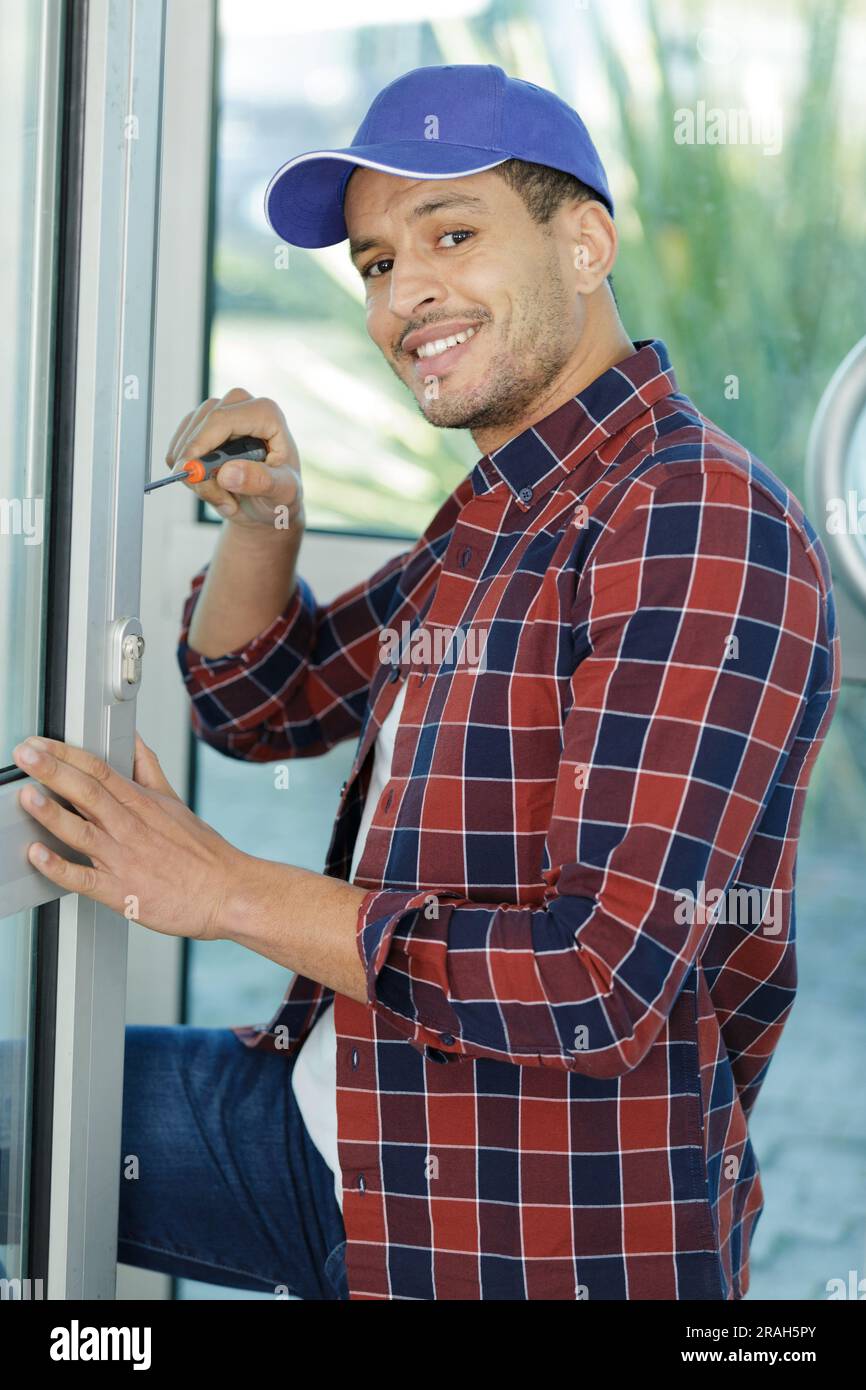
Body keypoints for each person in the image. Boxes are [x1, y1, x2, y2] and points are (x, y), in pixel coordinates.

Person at [12, 64, 841, 1301]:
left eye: (451, 234)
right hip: (320, 1117)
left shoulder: (692, 519)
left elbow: (595, 981)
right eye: (376, 263)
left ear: (583, 242)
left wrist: (223, 889)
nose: (406, 293)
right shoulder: (497, 515)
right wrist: (266, 517)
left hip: (527, 1229)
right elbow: (261, 704)